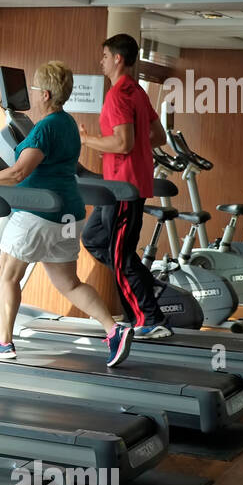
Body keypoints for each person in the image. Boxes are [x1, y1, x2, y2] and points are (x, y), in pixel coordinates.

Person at [0, 62, 133, 367]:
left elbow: (19, 172)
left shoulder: (45, 128)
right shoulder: (68, 123)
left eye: (33, 89)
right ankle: (114, 329)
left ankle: (3, 342)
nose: (32, 94)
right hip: (69, 215)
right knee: (69, 283)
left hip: (38, 213)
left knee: (8, 274)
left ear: (44, 93)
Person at [79, 33, 172, 339]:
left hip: (122, 187)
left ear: (117, 58)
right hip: (121, 185)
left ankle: (149, 317)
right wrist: (132, 148)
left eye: (105, 56)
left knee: (121, 257)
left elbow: (122, 142)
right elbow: (158, 136)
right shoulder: (139, 93)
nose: (101, 61)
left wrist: (85, 138)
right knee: (93, 238)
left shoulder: (119, 95)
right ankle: (143, 282)